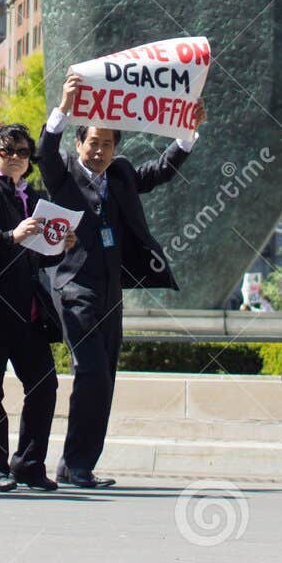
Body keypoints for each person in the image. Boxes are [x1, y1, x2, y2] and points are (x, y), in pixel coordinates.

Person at [36, 71, 203, 488]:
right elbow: (45, 151)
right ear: (79, 143)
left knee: (105, 378)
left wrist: (187, 134)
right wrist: (63, 108)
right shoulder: (63, 173)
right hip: (73, 288)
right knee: (91, 371)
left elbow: (160, 171)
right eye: (93, 143)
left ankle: (77, 464)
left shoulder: (122, 174)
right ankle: (75, 464)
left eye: (107, 145)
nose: (99, 151)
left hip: (111, 291)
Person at [0, 122, 65, 491]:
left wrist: (58, 246)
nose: (17, 158)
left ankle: (29, 465)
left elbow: (38, 257)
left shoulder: (31, 197)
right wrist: (10, 236)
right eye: (8, 151)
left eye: (23, 152)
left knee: (44, 385)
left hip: (28, 312)